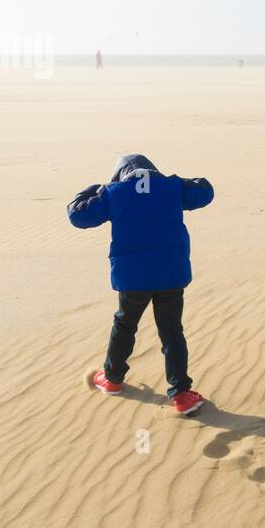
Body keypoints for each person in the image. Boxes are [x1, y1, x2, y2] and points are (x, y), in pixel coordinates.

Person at [67, 154, 215, 415]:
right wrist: (175, 181)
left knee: (125, 325)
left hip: (133, 278)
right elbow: (205, 192)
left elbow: (78, 216)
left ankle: (112, 380)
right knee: (172, 332)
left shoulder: (113, 193)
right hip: (171, 274)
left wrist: (95, 189)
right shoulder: (172, 187)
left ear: (120, 174)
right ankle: (181, 394)